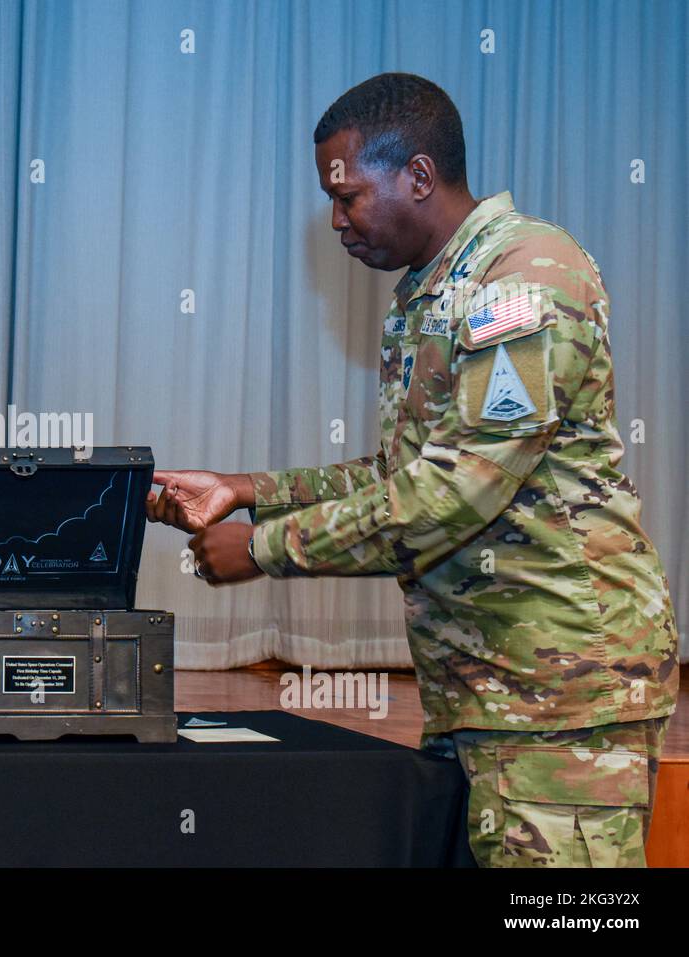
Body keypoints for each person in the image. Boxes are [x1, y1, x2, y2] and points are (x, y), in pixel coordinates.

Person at [148, 73, 678, 867]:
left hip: (562, 697)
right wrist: (246, 491)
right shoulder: (431, 294)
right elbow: (402, 472)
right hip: (486, 690)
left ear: (419, 176)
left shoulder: (524, 280)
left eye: (349, 195)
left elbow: (454, 493)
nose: (336, 220)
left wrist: (261, 548)